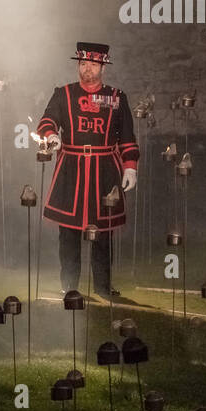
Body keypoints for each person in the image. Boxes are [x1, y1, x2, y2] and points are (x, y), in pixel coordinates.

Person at [37, 42, 138, 299]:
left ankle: (103, 287)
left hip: (105, 171)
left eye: (92, 65)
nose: (87, 70)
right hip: (71, 169)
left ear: (102, 66)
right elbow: (47, 120)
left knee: (102, 235)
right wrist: (52, 137)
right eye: (83, 64)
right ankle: (69, 286)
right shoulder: (64, 94)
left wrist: (130, 168)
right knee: (68, 234)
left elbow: (126, 136)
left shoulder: (116, 97)